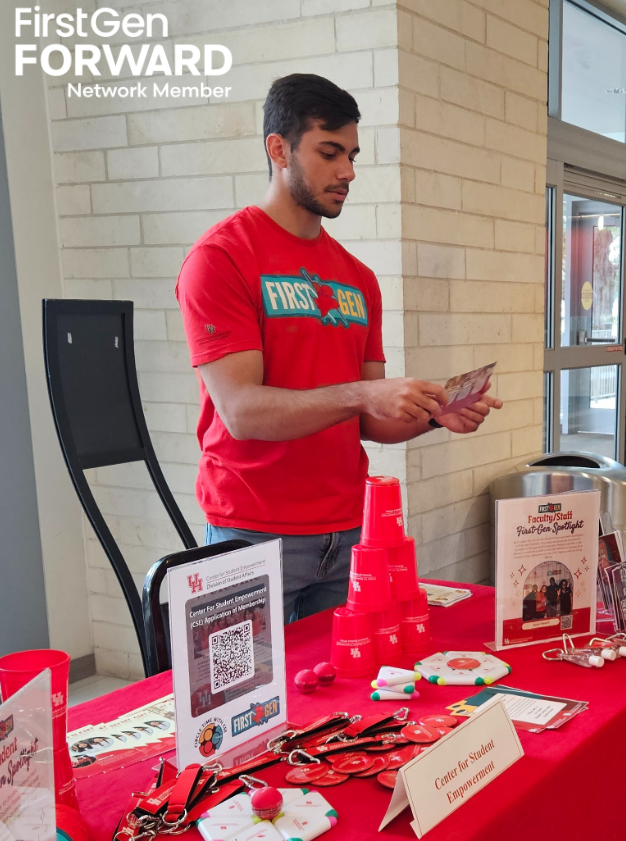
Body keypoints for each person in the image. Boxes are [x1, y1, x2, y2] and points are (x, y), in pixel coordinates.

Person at [176, 74, 502, 622]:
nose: (347, 172)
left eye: (351, 154)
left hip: (349, 532)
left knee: (347, 698)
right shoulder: (223, 258)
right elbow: (241, 412)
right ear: (278, 149)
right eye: (329, 153)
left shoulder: (359, 277)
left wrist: (436, 415)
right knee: (255, 706)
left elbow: (369, 422)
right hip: (252, 534)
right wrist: (364, 393)